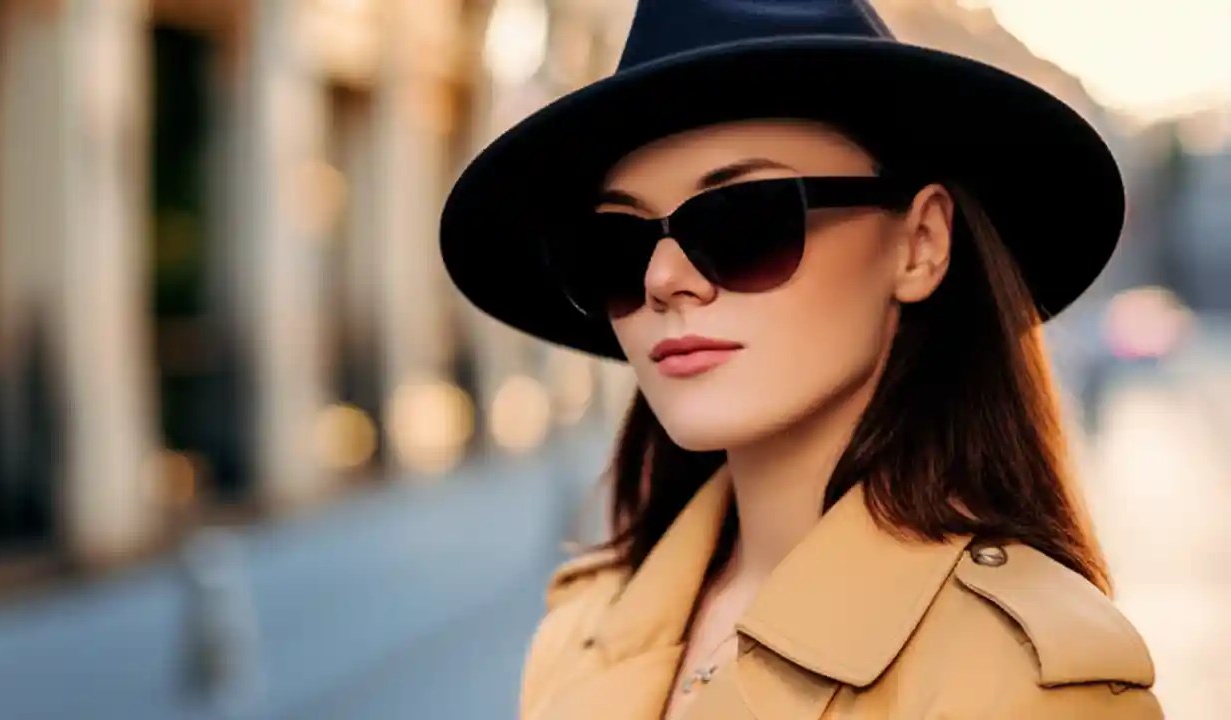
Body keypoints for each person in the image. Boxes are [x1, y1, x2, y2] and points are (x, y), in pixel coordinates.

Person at [439, 1, 1162, 718]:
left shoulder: (1023, 684)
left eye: (744, 220)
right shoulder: (581, 630)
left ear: (920, 244)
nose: (664, 278)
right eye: (616, 248)